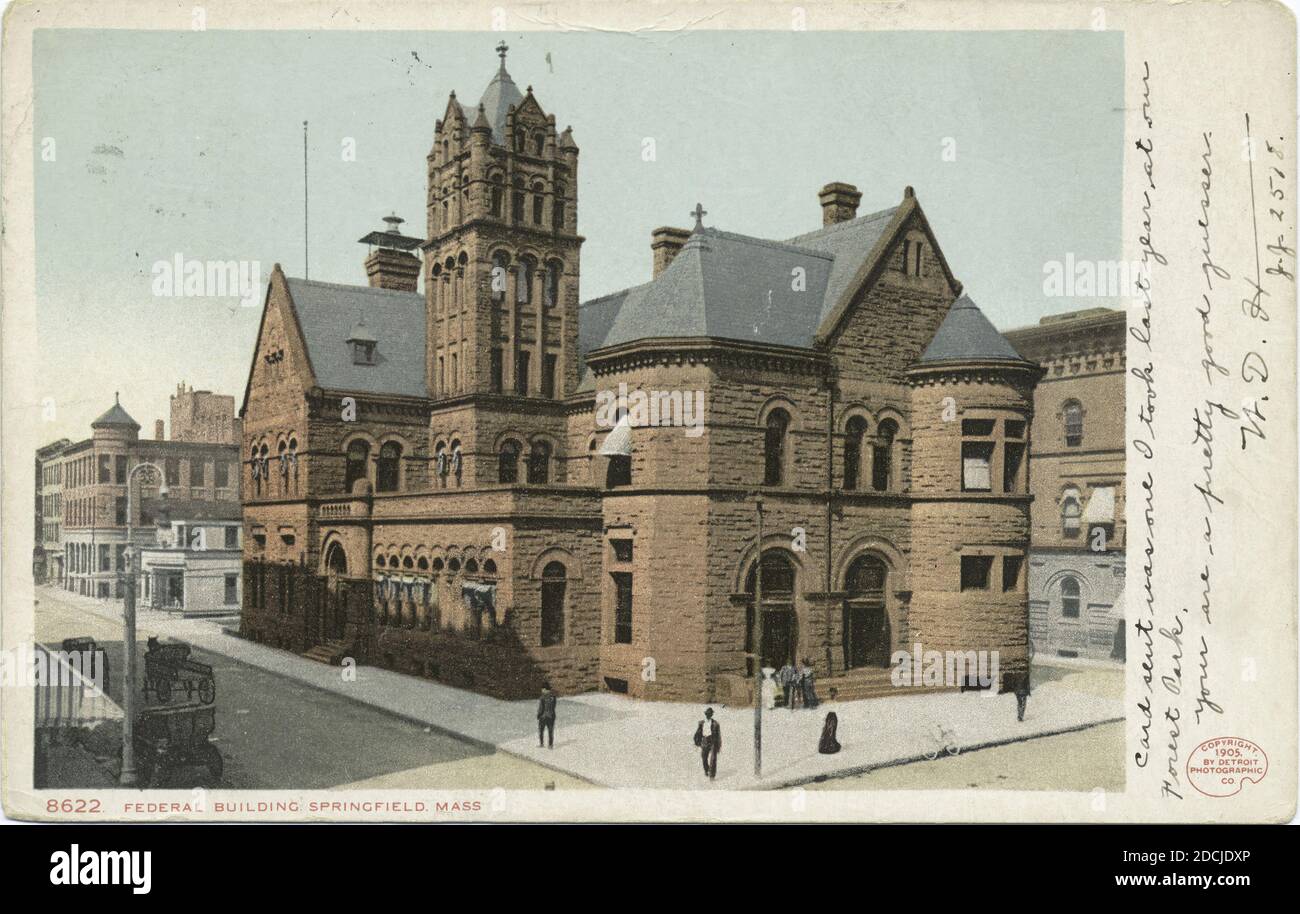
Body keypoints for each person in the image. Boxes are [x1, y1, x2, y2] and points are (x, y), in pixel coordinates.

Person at [693, 707, 721, 779]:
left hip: (713, 741)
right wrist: (697, 741)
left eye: (710, 714)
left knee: (713, 758)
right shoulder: (701, 723)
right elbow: (698, 732)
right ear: (705, 714)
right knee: (704, 757)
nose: (708, 715)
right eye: (707, 714)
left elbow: (718, 735)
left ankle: (712, 775)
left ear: (711, 715)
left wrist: (718, 745)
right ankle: (707, 770)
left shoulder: (716, 724)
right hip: (704, 741)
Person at [537, 684, 557, 748]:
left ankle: (541, 744)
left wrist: (538, 715)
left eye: (542, 689)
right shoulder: (553, 697)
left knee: (541, 730)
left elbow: (541, 708)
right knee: (550, 731)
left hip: (543, 716)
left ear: (545, 689)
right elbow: (554, 706)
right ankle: (550, 745)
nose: (542, 690)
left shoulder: (542, 697)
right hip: (551, 716)